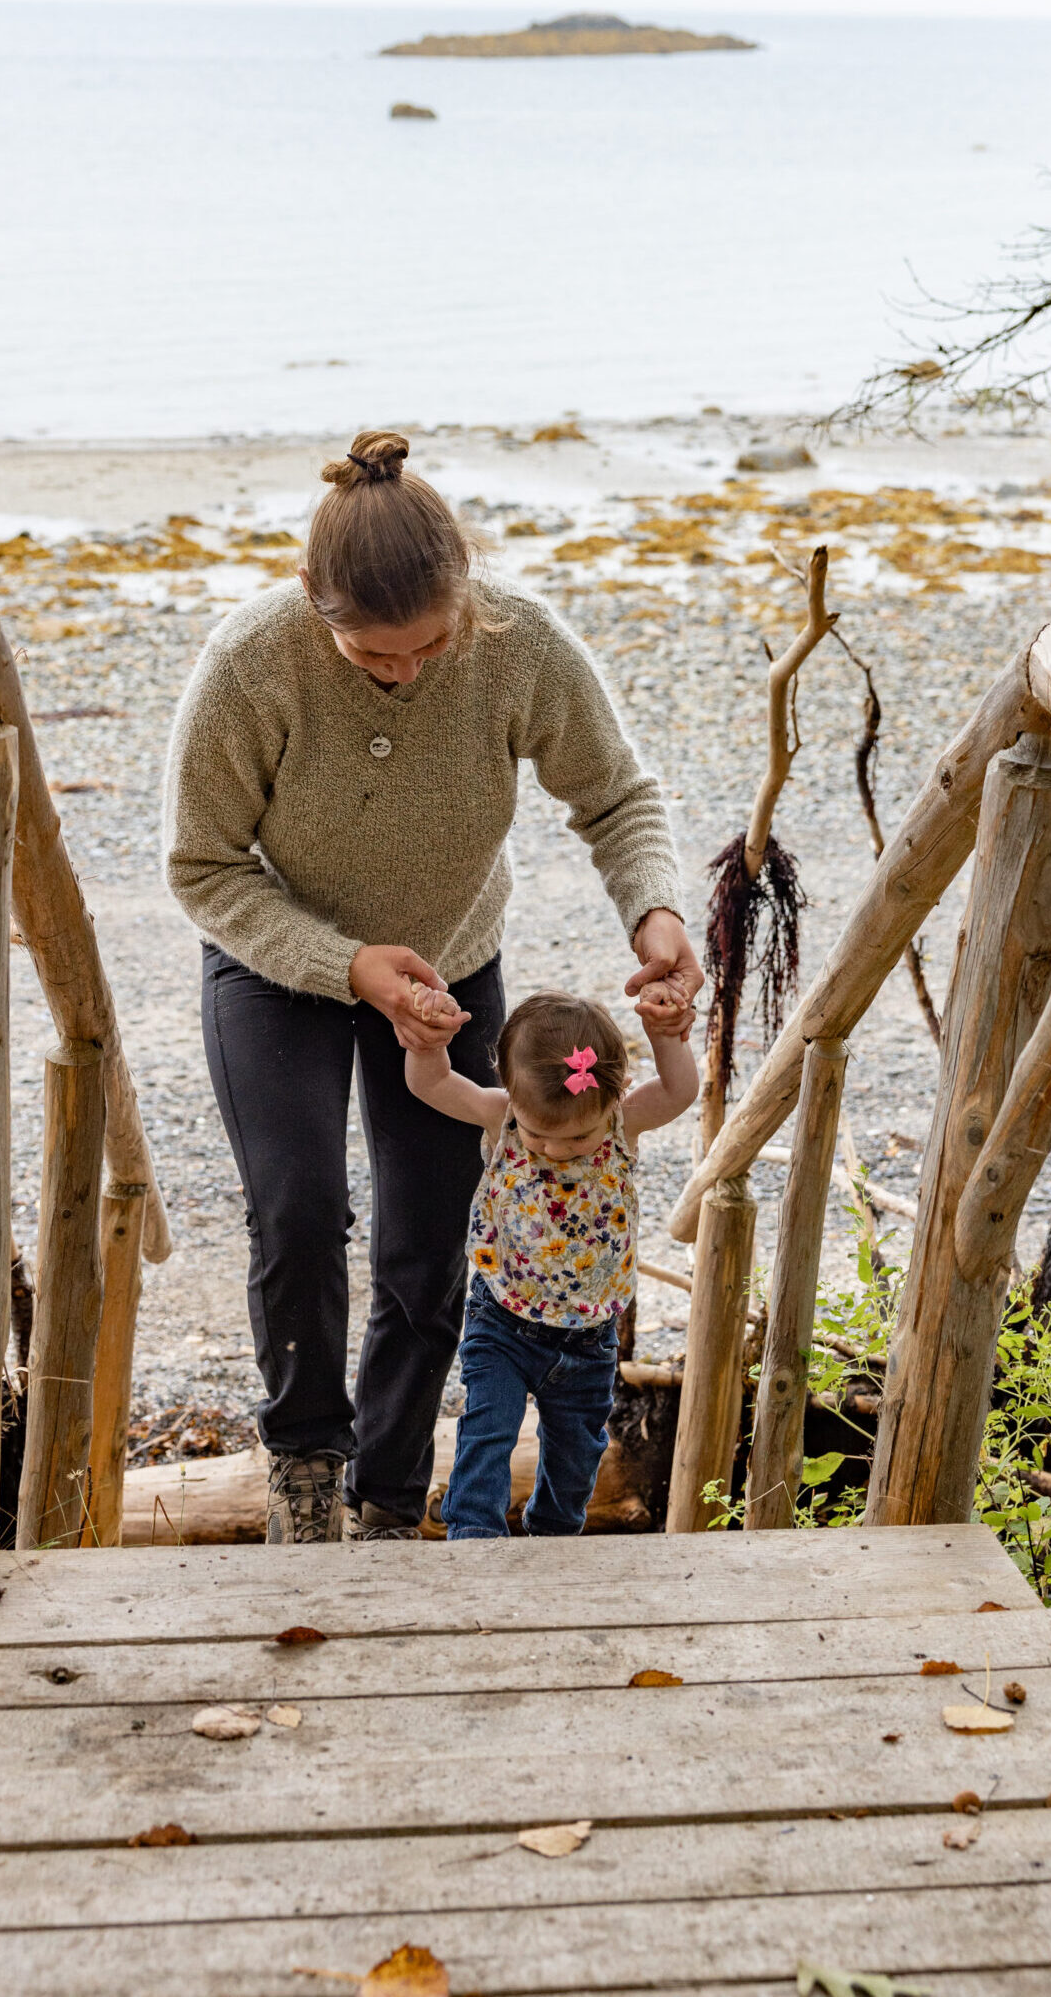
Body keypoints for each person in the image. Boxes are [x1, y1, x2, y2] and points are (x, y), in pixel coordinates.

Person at [163, 430, 702, 1543]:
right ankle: (309, 1461)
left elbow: (617, 797)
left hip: (451, 965)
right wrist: (346, 963)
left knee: (431, 1232)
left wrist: (653, 909)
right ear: (319, 613)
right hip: (278, 963)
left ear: (466, 598)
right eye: (377, 661)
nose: (409, 673)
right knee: (301, 1210)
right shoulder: (249, 662)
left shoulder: (520, 644)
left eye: (432, 646)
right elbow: (202, 866)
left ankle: (390, 1489)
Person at [403, 985, 698, 1539]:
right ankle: (474, 1538)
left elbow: (681, 1090)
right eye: (539, 1135)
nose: (557, 1149)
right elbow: (432, 1084)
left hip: (589, 1335)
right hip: (502, 1317)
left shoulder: (622, 1125)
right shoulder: (502, 1118)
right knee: (487, 1433)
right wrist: (428, 1044)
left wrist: (666, 1037)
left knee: (576, 1451)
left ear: (613, 1099)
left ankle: (555, 1543)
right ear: (511, 1095)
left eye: (578, 1137)